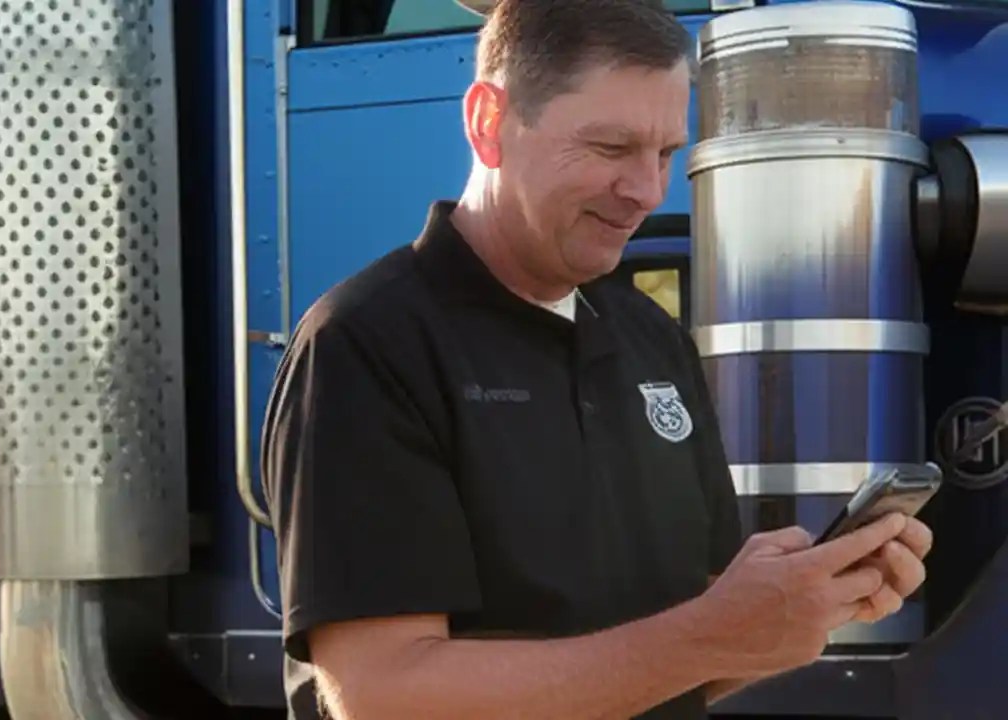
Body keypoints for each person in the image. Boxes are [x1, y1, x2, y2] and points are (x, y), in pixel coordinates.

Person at [258, 1, 934, 718]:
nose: (648, 190)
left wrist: (795, 615)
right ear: (488, 122)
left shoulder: (653, 340)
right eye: (612, 148)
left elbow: (677, 661)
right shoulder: (365, 344)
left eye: (666, 153)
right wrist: (712, 635)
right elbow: (383, 694)